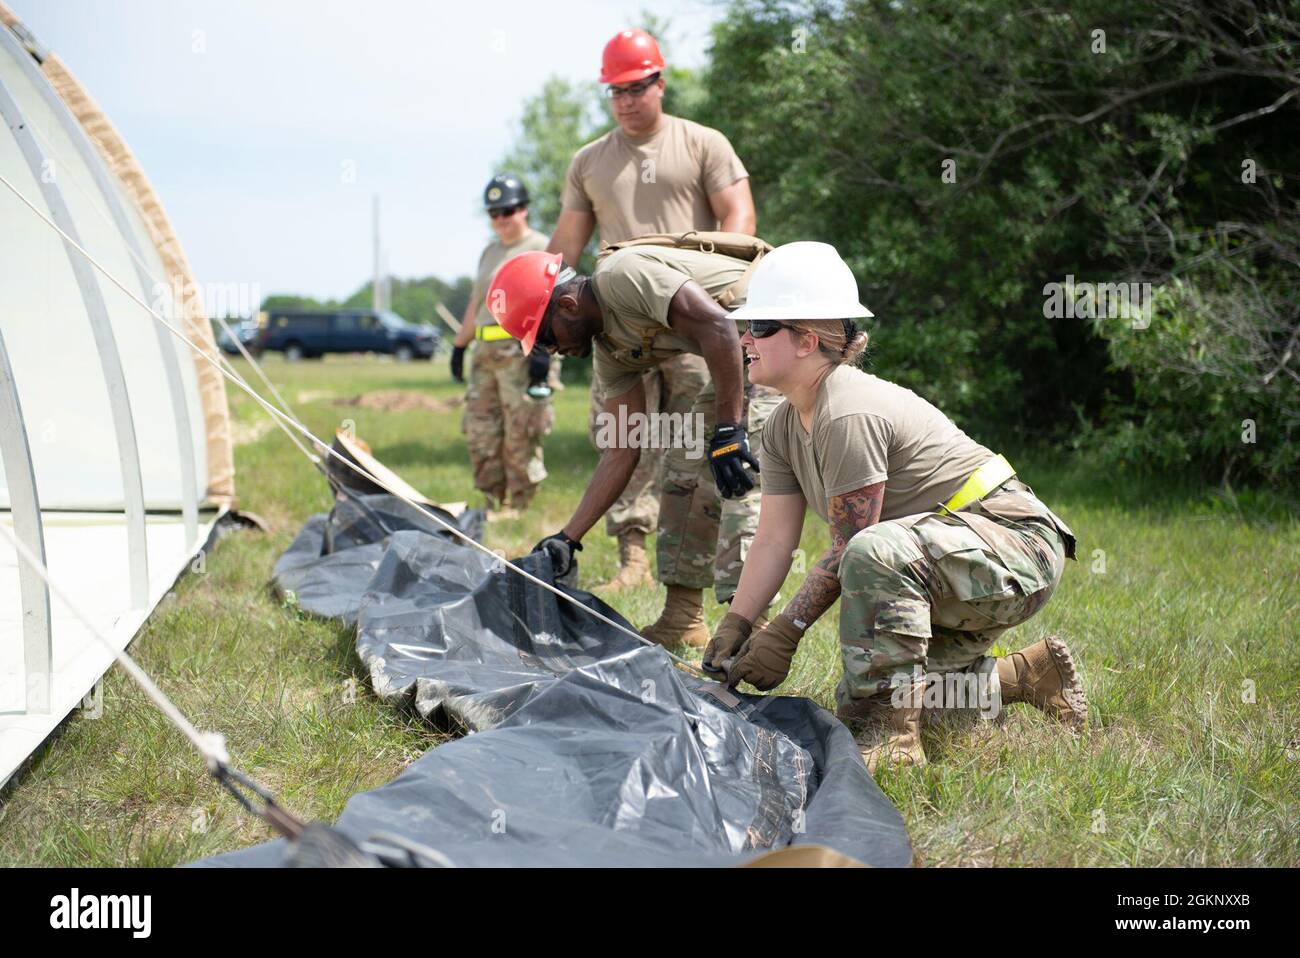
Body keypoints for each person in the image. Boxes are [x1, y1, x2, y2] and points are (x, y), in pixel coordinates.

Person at [703, 242, 1088, 770]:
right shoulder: (782, 428)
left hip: (1017, 547)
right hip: (947, 562)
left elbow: (848, 551)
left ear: (807, 341)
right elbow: (772, 541)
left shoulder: (847, 411)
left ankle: (894, 742)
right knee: (864, 692)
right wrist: (740, 624)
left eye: (763, 326)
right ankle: (1027, 675)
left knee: (871, 572)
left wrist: (785, 633)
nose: (745, 338)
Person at [548, 27, 776, 609]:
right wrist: (540, 326)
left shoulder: (702, 143)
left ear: (660, 82)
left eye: (637, 87)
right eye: (615, 91)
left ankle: (732, 604)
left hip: (697, 319)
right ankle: (634, 562)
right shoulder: (590, 161)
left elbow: (739, 216)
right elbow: (560, 254)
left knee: (710, 446)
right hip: (614, 316)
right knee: (627, 440)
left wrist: (705, 290)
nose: (626, 100)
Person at [485, 244, 761, 647]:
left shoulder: (621, 275)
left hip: (787, 330)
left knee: (740, 474)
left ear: (567, 304)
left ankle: (755, 631)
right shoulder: (611, 351)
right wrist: (567, 538)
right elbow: (622, 449)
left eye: (545, 337)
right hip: (745, 349)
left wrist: (729, 431)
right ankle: (683, 619)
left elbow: (717, 325)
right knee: (683, 467)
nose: (551, 351)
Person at [450, 174, 553, 516]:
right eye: (494, 213)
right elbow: (477, 303)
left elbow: (552, 302)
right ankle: (491, 501)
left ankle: (520, 504)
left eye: (507, 210)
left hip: (521, 351)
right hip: (485, 353)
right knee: (481, 430)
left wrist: (543, 350)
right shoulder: (489, 252)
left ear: (524, 209)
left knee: (519, 428)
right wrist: (460, 345)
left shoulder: (542, 246)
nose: (501, 219)